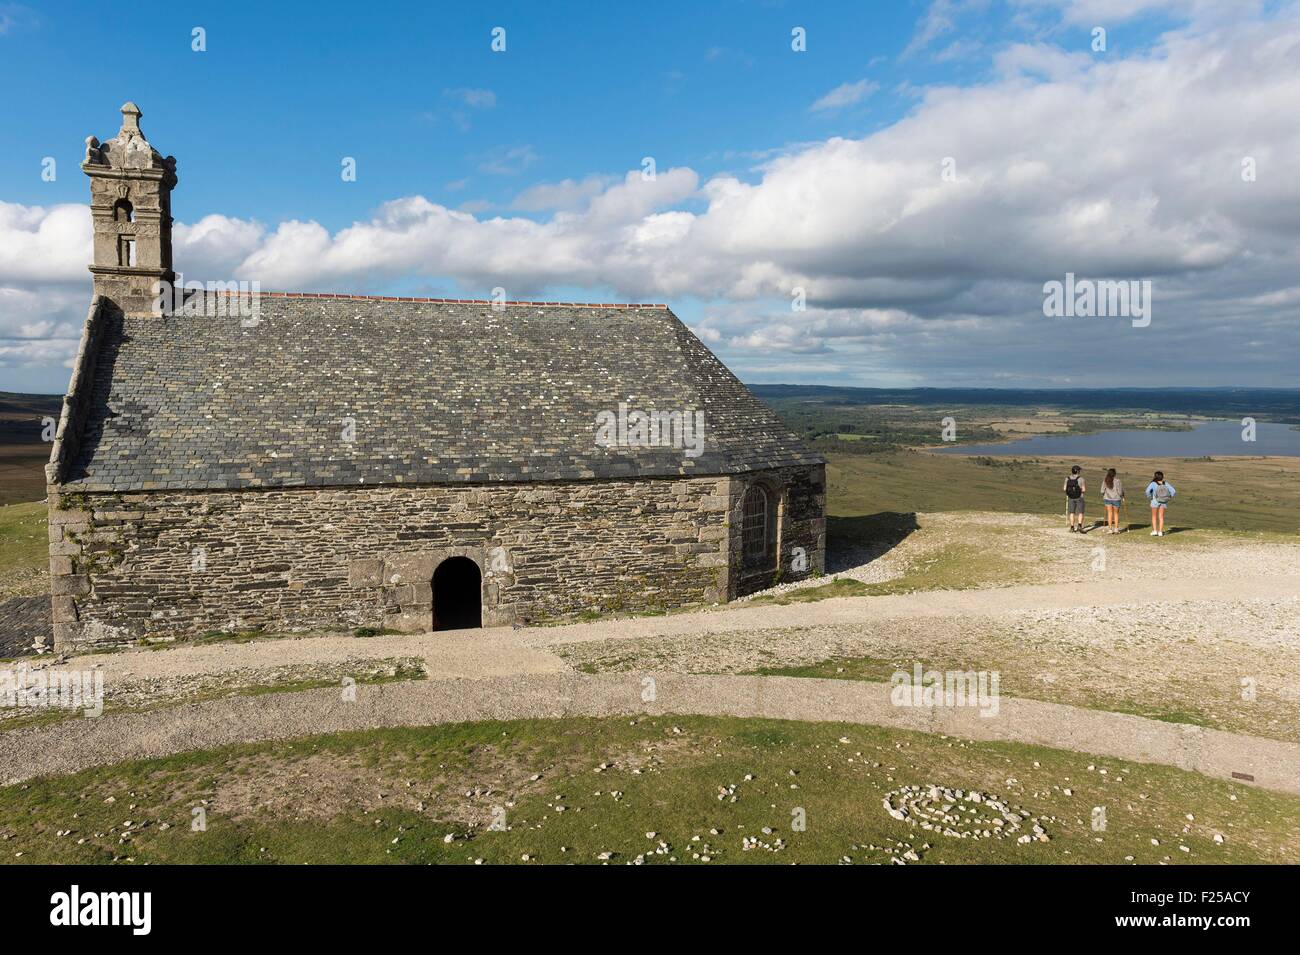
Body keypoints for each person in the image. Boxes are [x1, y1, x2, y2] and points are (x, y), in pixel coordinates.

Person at [1145, 470, 1176, 536]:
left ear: (1155, 477)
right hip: (1164, 501)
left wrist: (1150, 497)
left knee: (1154, 516)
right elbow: (1173, 491)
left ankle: (1155, 531)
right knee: (1161, 517)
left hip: (1155, 501)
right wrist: (1169, 497)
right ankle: (1160, 532)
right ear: (1162, 477)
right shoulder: (1165, 483)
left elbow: (1147, 492)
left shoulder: (1153, 483)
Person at [1063, 465, 1086, 532]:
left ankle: (1072, 527)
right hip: (1080, 497)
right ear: (1077, 471)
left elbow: (1064, 489)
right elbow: (1084, 490)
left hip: (1070, 497)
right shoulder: (1081, 479)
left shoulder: (1067, 478)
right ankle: (1079, 526)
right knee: (1080, 512)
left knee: (1072, 513)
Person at [1101, 467, 1124, 533]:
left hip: (1107, 499)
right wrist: (1122, 495)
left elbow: (1102, 491)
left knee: (1109, 514)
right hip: (1116, 499)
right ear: (1114, 474)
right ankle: (1116, 529)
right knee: (1116, 514)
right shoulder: (1118, 481)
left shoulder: (1105, 480)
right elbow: (1120, 492)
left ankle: (1110, 529)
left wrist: (1104, 495)